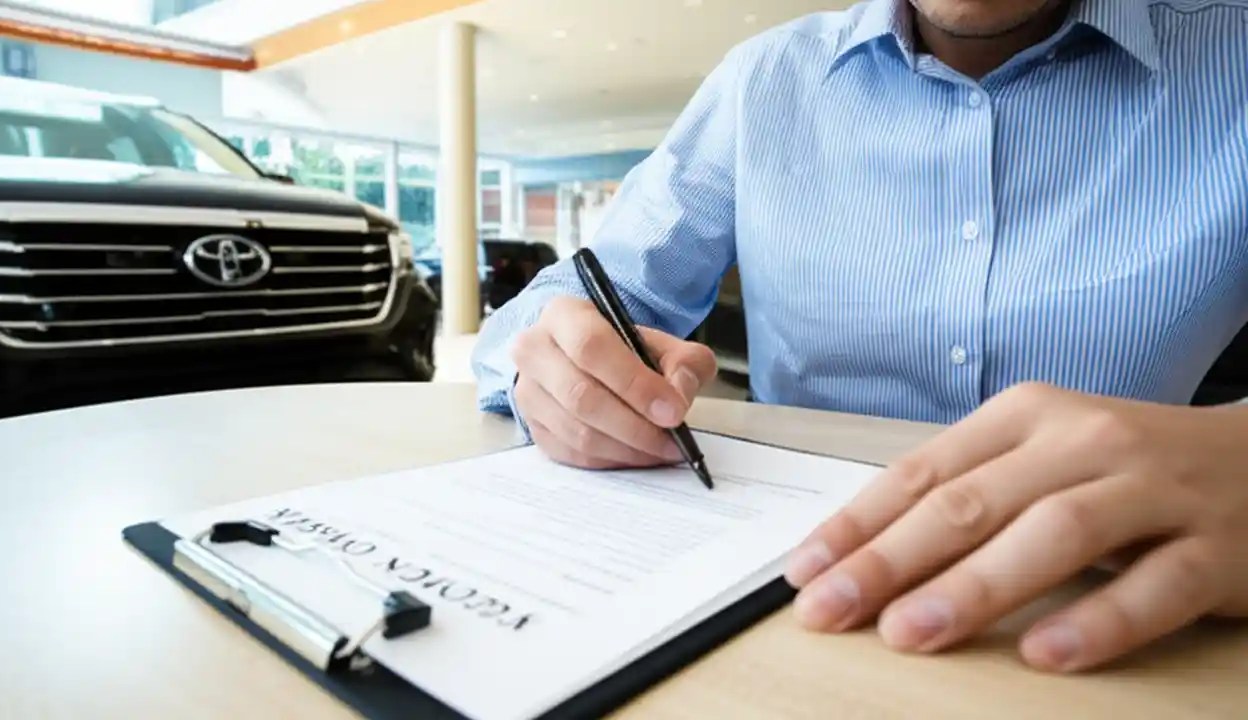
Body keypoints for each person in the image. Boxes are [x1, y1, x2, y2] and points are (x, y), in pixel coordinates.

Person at [471, 0, 1248, 674]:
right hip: (776, 597)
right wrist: (555, 360)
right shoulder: (761, 81)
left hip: (1113, 612)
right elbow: (579, 298)